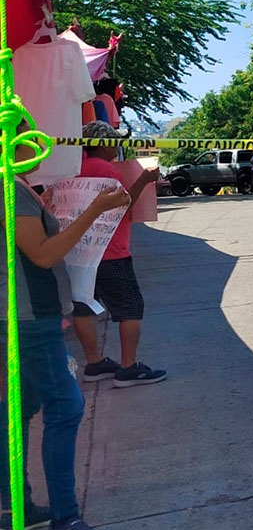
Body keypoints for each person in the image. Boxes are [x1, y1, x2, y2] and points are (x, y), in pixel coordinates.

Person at [2, 119, 126, 530]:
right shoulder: (11, 188)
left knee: (18, 407)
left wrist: (47, 211)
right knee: (65, 406)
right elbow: (42, 255)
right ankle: (65, 522)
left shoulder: (17, 188)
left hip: (16, 315)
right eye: (28, 136)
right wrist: (94, 210)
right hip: (29, 316)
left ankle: (14, 508)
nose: (38, 144)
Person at [71, 121, 168, 388]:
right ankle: (128, 367)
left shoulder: (75, 168)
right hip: (110, 250)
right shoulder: (104, 169)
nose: (117, 145)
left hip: (81, 251)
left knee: (83, 305)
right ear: (102, 144)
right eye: (114, 140)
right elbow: (122, 203)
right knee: (130, 307)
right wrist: (144, 180)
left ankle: (94, 362)